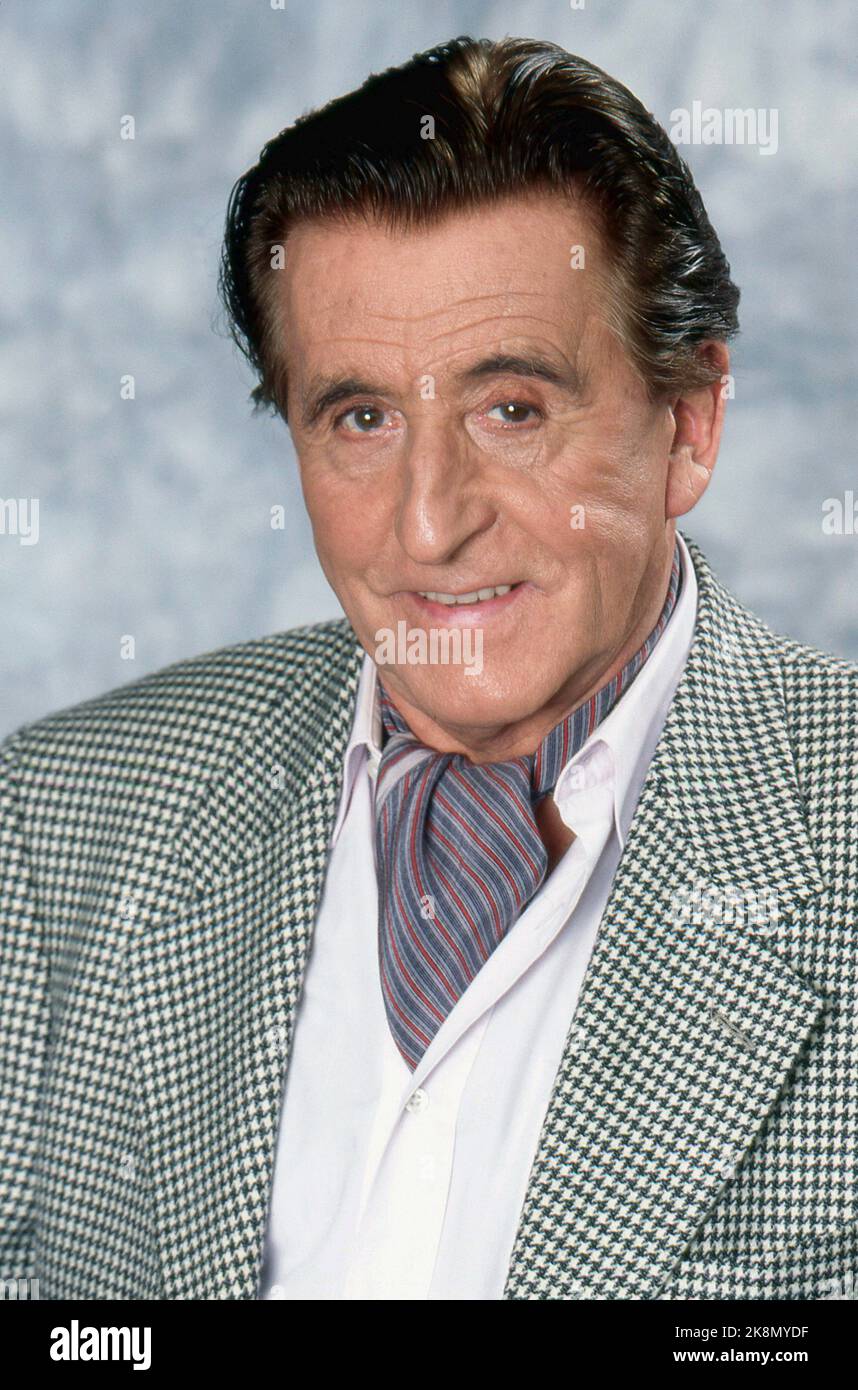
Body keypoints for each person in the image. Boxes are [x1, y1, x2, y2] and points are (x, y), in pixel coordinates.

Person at [1, 36, 855, 1302]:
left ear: (689, 425)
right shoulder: (52, 818)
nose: (427, 524)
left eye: (511, 408)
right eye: (361, 418)